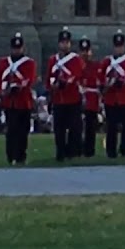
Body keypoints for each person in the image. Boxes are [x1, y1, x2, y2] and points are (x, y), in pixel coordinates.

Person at [0, 32, 37, 165]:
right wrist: (1, 91)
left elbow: (29, 80)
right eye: (14, 48)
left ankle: (21, 156)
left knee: (23, 131)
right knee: (11, 130)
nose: (16, 50)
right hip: (9, 102)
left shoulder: (29, 63)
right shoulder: (3, 63)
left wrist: (18, 85)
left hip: (23, 101)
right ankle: (11, 155)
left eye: (18, 48)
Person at [47, 27, 85, 161]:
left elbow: (77, 75)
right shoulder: (53, 60)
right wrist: (53, 85)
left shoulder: (75, 59)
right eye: (62, 42)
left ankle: (73, 152)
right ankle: (60, 153)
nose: (65, 45)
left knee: (75, 128)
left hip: (72, 98)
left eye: (67, 42)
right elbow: (50, 77)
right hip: (58, 99)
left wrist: (65, 82)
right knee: (59, 129)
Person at [102, 31, 125, 159]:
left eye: (121, 46)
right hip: (111, 99)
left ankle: (124, 151)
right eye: (117, 46)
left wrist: (118, 81)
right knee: (111, 127)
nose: (118, 49)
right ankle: (111, 152)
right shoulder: (107, 62)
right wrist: (108, 83)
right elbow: (102, 77)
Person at [78, 37, 102, 157]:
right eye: (83, 51)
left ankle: (89, 150)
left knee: (90, 127)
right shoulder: (76, 65)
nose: (85, 53)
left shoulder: (96, 66)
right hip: (78, 99)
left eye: (87, 51)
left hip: (91, 101)